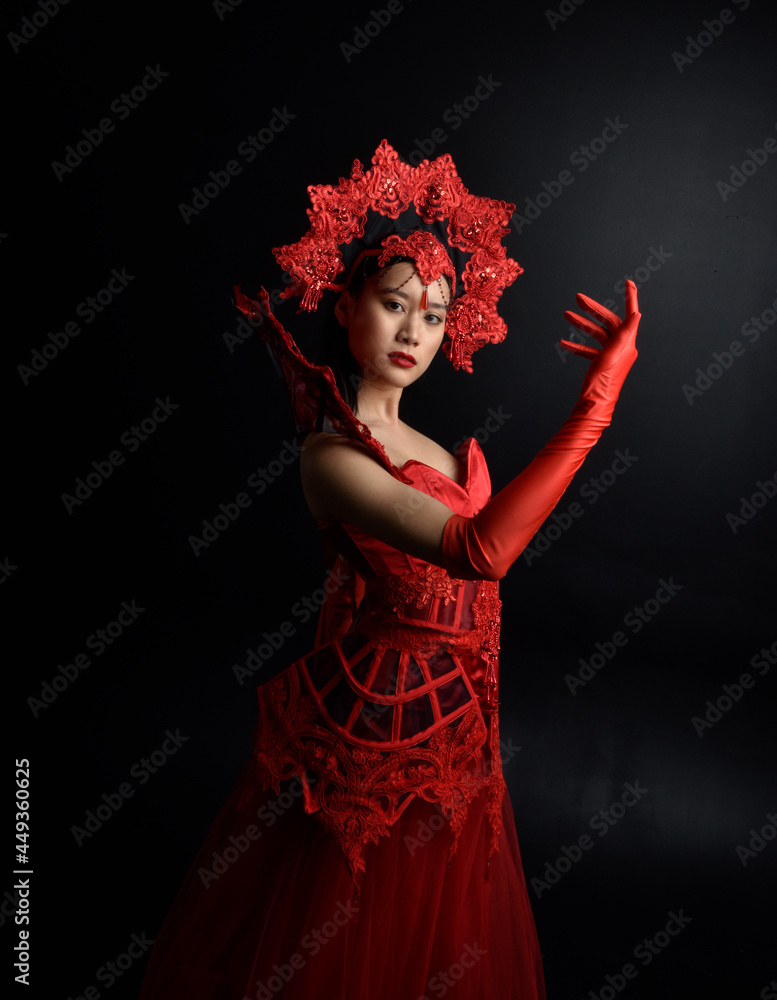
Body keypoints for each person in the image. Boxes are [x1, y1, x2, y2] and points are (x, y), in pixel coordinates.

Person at [138, 140, 641, 999]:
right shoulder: (332, 457)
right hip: (376, 731)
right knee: (344, 939)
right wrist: (592, 410)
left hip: (459, 737)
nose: (414, 330)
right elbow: (481, 554)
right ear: (345, 305)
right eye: (395, 303)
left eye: (436, 315)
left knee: (435, 948)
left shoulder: (436, 450)